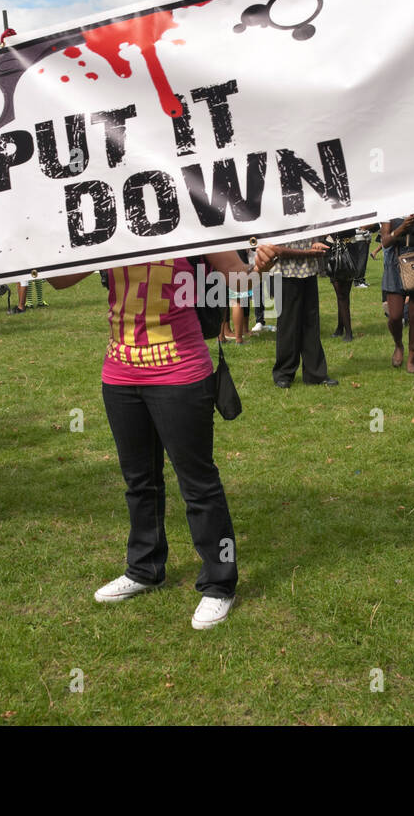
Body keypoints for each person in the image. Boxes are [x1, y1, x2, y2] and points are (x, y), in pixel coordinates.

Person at [51, 247, 277, 630]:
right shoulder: (108, 227)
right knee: (139, 482)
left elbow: (238, 280)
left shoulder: (190, 220)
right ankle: (144, 568)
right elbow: (58, 280)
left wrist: (259, 267)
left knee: (198, 483)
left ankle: (220, 583)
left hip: (181, 374)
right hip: (120, 375)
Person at [271, 237, 337, 388]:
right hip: (285, 273)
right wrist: (308, 252)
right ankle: (284, 373)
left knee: (311, 324)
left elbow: (314, 236)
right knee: (288, 325)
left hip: (308, 271)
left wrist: (317, 243)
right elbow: (277, 250)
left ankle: (315, 374)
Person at [381, 212, 414, 372]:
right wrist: (402, 227)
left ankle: (412, 358)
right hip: (395, 263)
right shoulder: (388, 207)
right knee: (395, 316)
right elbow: (385, 241)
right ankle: (398, 345)